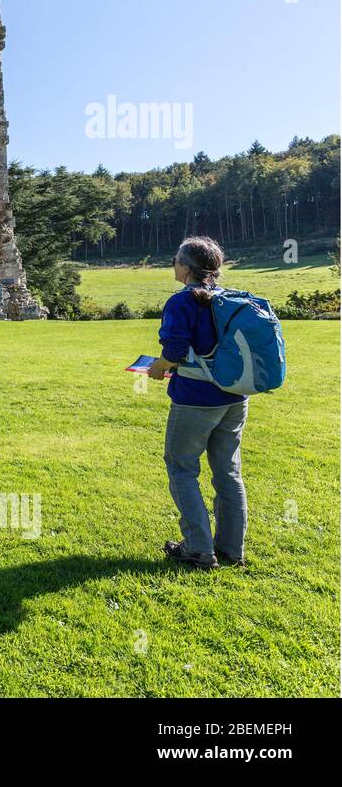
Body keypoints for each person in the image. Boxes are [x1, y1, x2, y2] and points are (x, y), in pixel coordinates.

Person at [147, 236, 248, 570]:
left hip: (196, 399)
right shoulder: (230, 299)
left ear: (187, 268)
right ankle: (231, 549)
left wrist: (157, 368)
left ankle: (199, 549)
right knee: (228, 472)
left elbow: (174, 350)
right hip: (235, 398)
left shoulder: (182, 301)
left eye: (176, 259)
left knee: (181, 467)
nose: (173, 264)